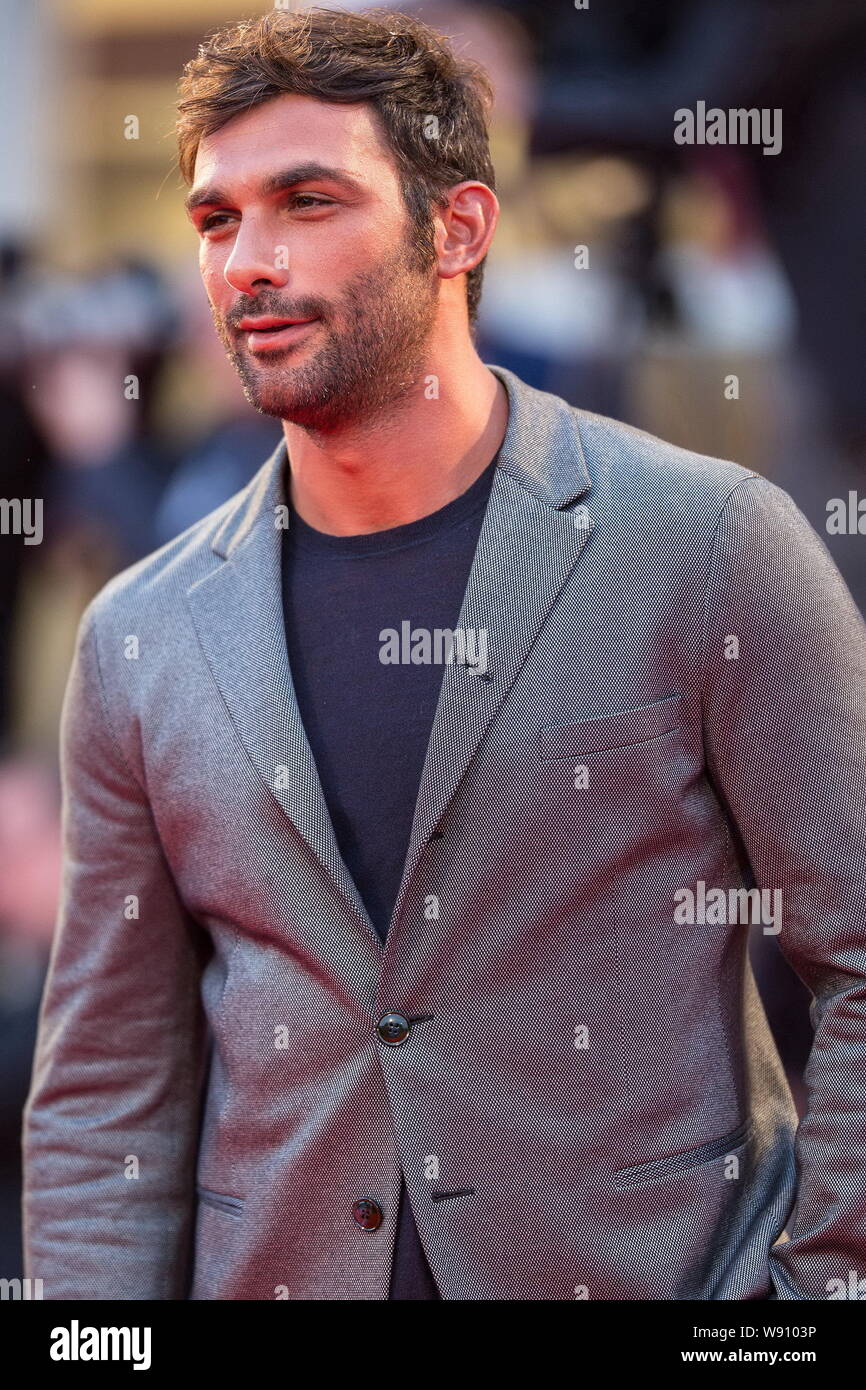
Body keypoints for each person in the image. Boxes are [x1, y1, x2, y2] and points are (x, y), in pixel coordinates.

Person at [22, 7, 866, 1300]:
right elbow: (105, 1087)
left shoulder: (709, 545)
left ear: (458, 228)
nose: (250, 262)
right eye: (217, 219)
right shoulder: (143, 631)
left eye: (309, 201)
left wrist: (808, 1306)